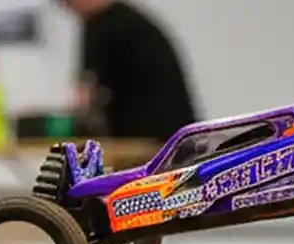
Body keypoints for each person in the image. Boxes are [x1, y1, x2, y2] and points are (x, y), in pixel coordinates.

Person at [57, 0, 198, 142]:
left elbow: (86, 94)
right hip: (175, 134)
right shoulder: (132, 21)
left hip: (148, 138)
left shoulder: (102, 25)